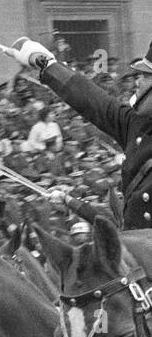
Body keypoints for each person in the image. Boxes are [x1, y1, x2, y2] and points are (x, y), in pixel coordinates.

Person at [9, 36, 152, 229]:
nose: (138, 82)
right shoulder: (139, 125)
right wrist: (48, 64)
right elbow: (95, 102)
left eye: (145, 76)